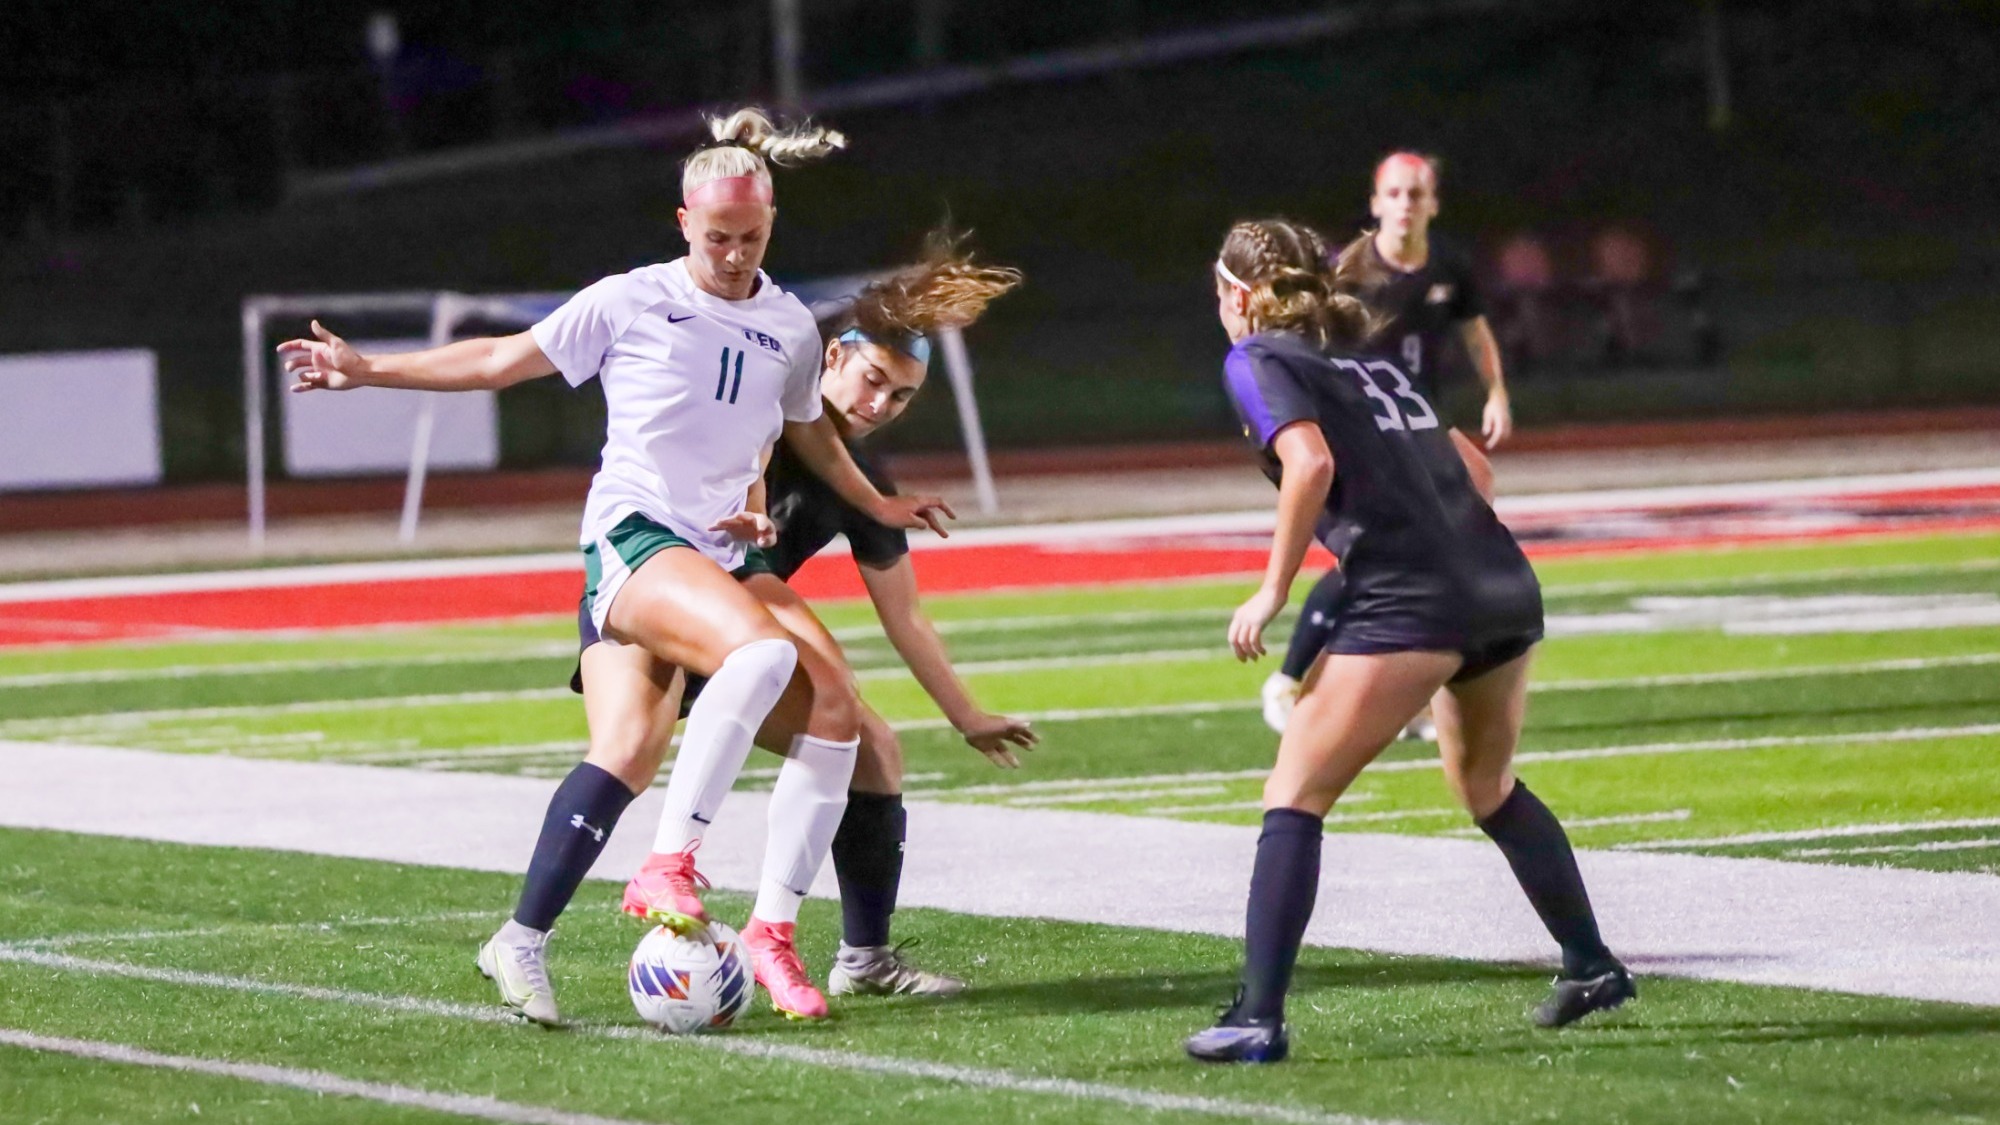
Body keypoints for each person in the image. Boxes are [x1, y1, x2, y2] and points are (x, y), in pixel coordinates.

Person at [281, 107, 950, 1027]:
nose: (733, 252)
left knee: (817, 722)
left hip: (718, 560)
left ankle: (743, 933)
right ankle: (667, 865)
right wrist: (369, 370)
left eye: (751, 237)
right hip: (635, 542)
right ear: (683, 223)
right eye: (717, 236)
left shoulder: (792, 326)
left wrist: (863, 503)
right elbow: (498, 359)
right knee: (759, 660)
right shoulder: (631, 297)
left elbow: (798, 431)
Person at [1185, 218, 1633, 1065]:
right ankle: (1591, 960)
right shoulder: (1369, 354)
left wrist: (1275, 586)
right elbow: (1478, 474)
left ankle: (1258, 1015)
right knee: (1486, 787)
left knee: (1293, 795)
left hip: (1414, 599)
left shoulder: (1258, 357)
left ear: (1240, 296)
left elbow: (1310, 465)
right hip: (1502, 584)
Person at [568, 233, 1037, 1012]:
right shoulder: (761, 404)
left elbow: (907, 616)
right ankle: (527, 934)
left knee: (872, 746)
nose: (880, 405)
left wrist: (967, 715)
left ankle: (862, 955)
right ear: (830, 357)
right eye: (873, 380)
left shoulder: (864, 481)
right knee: (622, 755)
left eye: (901, 397)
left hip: (743, 634)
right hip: (661, 596)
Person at [1261, 152, 1507, 738]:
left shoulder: (1446, 264)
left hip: (1419, 421)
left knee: (1460, 519)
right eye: (1394, 194)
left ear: (1433, 203)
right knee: (1389, 549)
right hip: (1366, 425)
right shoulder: (1350, 270)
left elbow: (1474, 329)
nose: (1405, 205)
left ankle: (1411, 686)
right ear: (1375, 204)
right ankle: (1296, 678)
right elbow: (1306, 329)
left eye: (1415, 194)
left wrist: (1495, 391)